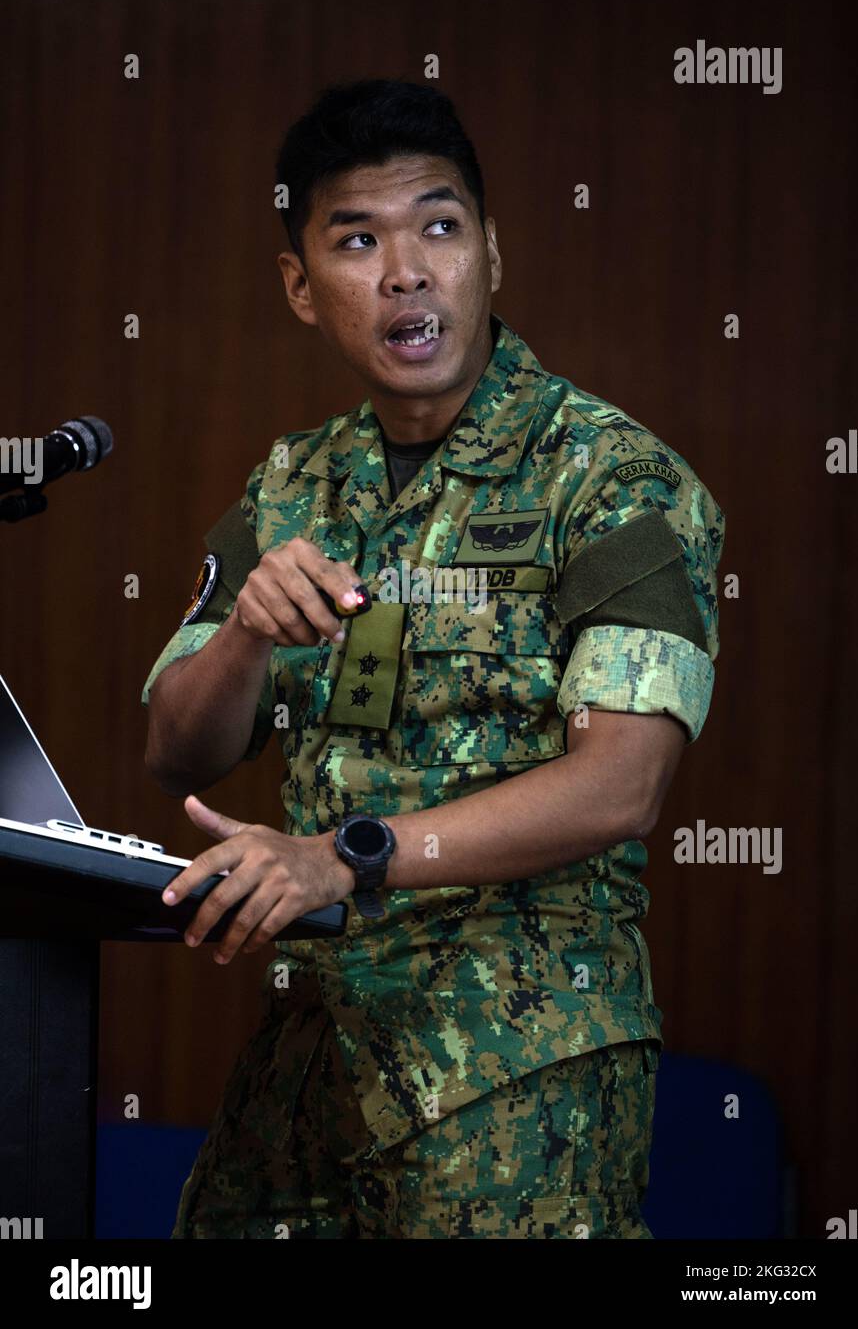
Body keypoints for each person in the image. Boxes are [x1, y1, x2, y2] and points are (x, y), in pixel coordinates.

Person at [141, 78, 725, 1239]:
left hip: (520, 1073)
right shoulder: (292, 482)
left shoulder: (613, 479)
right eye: (358, 240)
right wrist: (250, 631)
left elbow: (623, 783)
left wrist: (344, 858)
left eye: (439, 226)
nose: (406, 270)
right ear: (302, 289)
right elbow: (174, 747)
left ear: (491, 254)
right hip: (310, 1061)